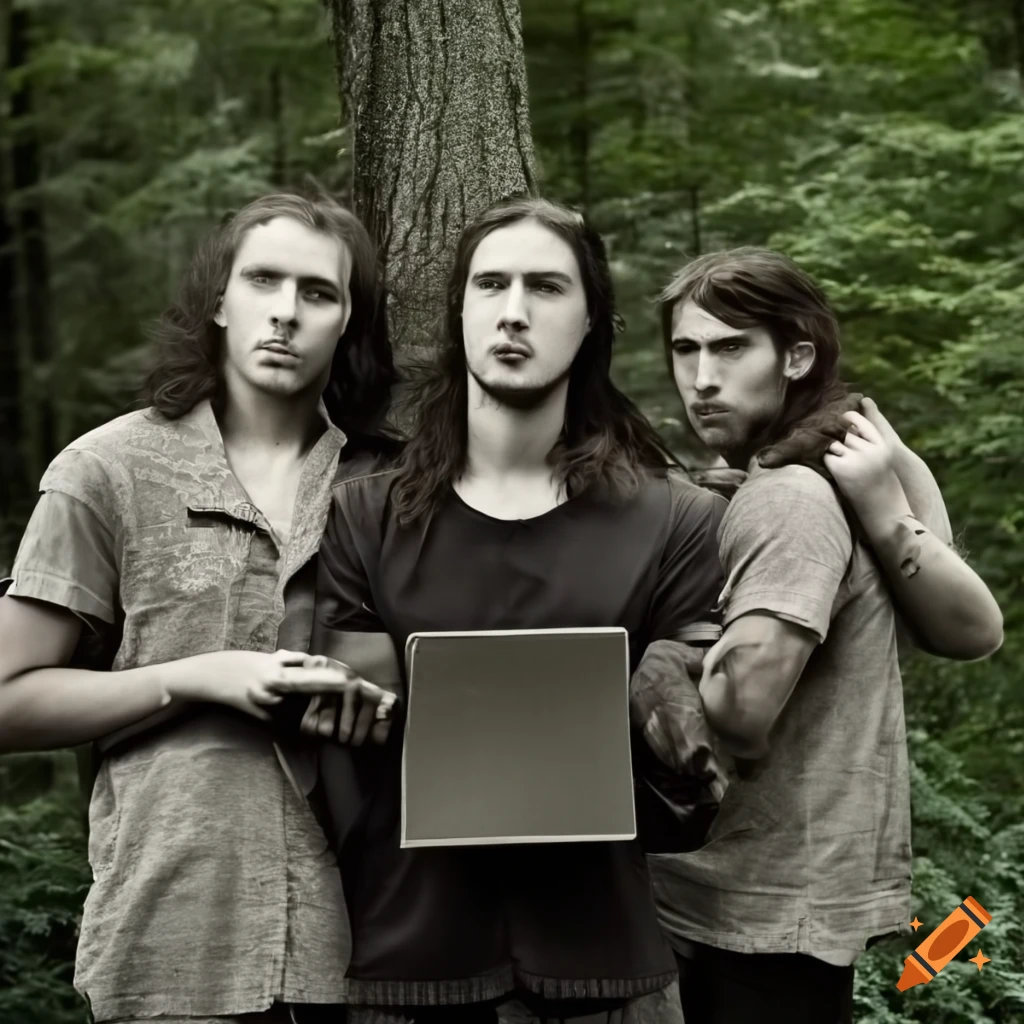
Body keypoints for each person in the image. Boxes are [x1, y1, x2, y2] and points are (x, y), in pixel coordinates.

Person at [297, 196, 728, 1024]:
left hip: (610, 968)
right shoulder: (365, 515)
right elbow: (366, 735)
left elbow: (699, 761)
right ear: (458, 312)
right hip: (410, 967)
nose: (515, 312)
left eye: (547, 288)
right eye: (490, 285)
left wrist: (669, 693)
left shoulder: (677, 520)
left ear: (592, 318)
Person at [0, 191, 400, 1023]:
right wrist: (201, 677)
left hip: (378, 941)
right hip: (175, 938)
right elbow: (8, 699)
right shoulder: (107, 471)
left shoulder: (393, 485)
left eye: (318, 293)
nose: (286, 313)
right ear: (219, 299)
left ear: (349, 321)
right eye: (263, 280)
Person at [646, 247, 1003, 1024]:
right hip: (778, 899)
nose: (702, 376)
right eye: (686, 348)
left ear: (796, 356)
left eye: (732, 346)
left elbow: (741, 708)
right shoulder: (795, 476)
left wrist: (663, 658)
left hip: (749, 911)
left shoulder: (791, 498)